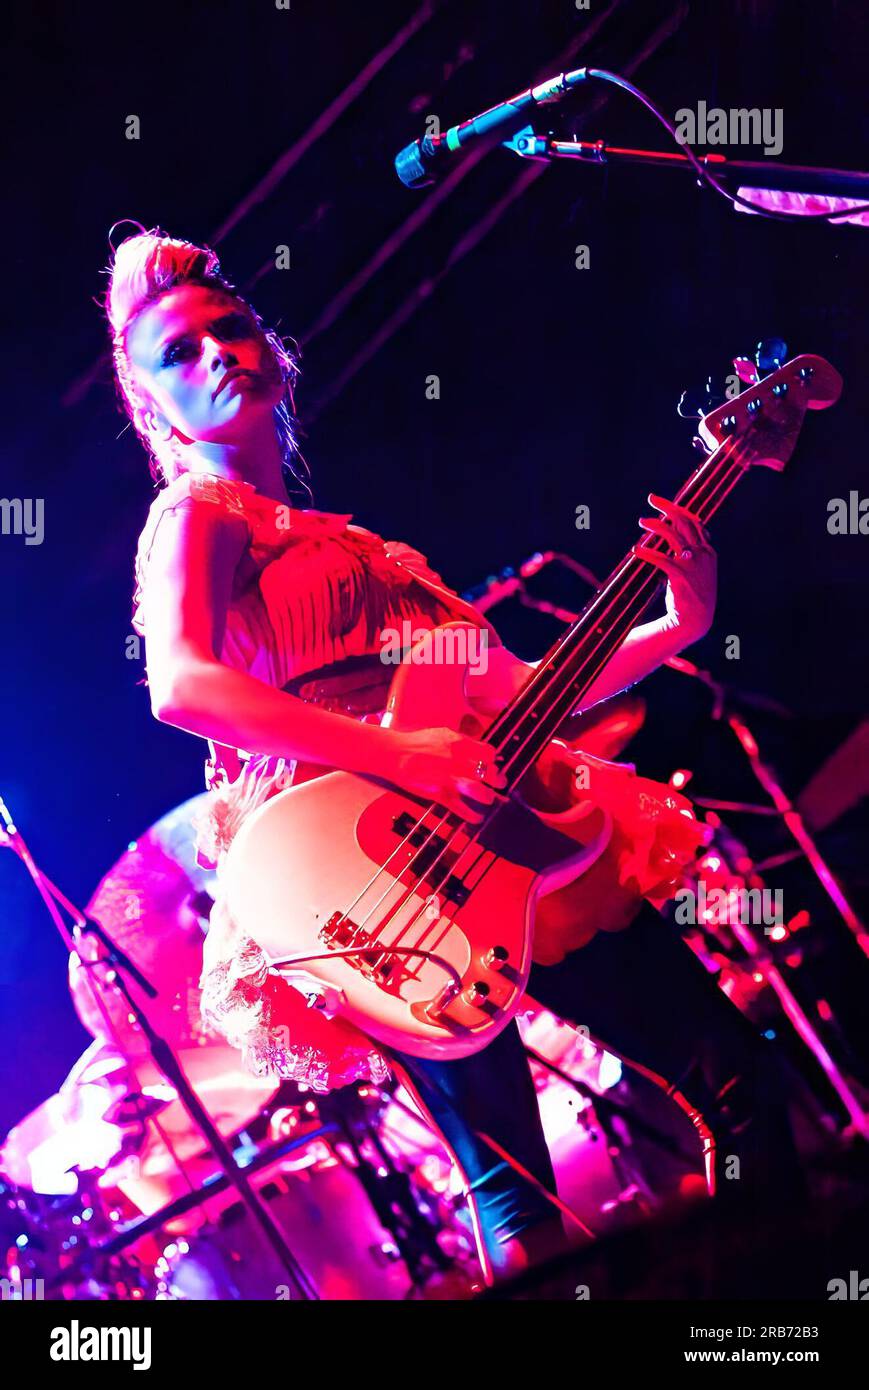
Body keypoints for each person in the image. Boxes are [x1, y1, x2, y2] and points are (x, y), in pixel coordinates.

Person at [109, 225, 803, 1287]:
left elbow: (521, 691)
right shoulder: (196, 513)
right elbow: (183, 686)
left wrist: (673, 622)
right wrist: (406, 762)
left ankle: (765, 1331)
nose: (217, 353)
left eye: (231, 325)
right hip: (355, 860)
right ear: (151, 404)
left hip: (481, 831)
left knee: (731, 1079)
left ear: (274, 348)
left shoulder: (361, 551)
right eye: (180, 352)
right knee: (513, 1192)